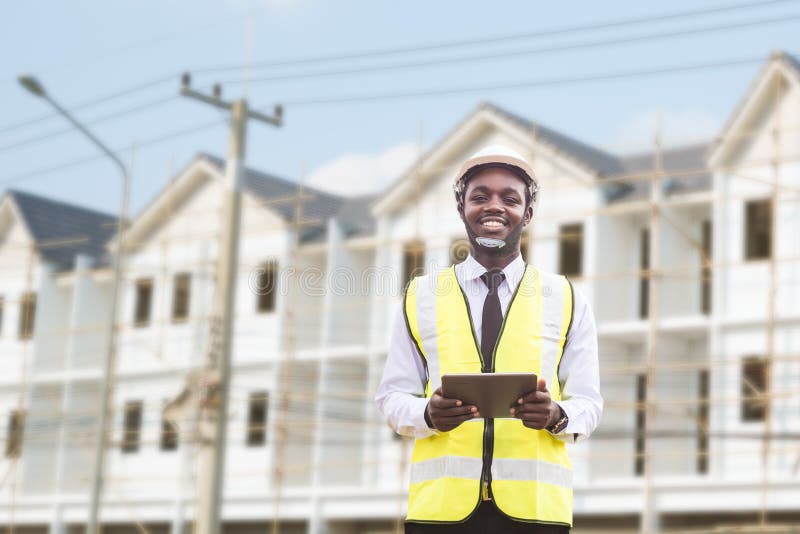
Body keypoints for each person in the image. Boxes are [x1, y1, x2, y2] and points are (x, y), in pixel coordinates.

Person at [375, 145, 602, 533]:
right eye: (480, 196)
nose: (493, 206)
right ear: (461, 206)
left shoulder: (566, 298)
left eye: (510, 198)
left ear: (527, 213)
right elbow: (392, 397)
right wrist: (427, 414)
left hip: (536, 513)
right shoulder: (420, 296)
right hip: (441, 513)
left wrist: (555, 416)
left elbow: (589, 403)